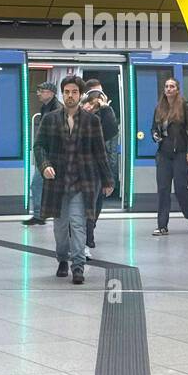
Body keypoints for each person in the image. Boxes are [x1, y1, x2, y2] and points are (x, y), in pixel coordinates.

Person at [34, 76, 113, 284]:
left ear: (80, 95)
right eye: (67, 92)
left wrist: (107, 180)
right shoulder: (50, 119)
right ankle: (62, 258)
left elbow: (100, 152)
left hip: (82, 181)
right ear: (62, 94)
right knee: (60, 229)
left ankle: (78, 266)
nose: (70, 95)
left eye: (74, 92)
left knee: (78, 223)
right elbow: (39, 146)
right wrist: (45, 165)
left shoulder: (92, 121)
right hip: (57, 182)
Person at [151, 76, 188, 236]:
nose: (169, 89)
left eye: (172, 86)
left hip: (181, 153)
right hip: (164, 154)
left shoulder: (186, 108)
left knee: (180, 188)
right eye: (166, 86)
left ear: (177, 90)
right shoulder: (159, 108)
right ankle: (162, 226)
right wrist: (155, 135)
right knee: (163, 189)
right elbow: (153, 128)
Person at [81, 80, 120, 250]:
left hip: (96, 168)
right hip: (79, 167)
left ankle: (88, 236)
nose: (99, 98)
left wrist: (106, 109)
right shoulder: (78, 113)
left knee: (94, 204)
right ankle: (82, 237)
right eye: (96, 94)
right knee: (83, 206)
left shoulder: (104, 115)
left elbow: (111, 131)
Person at [22, 80, 60, 226]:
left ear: (51, 93)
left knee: (37, 184)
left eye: (41, 91)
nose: (38, 93)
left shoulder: (56, 109)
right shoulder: (46, 108)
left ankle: (40, 215)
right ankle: (40, 214)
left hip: (50, 156)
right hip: (46, 154)